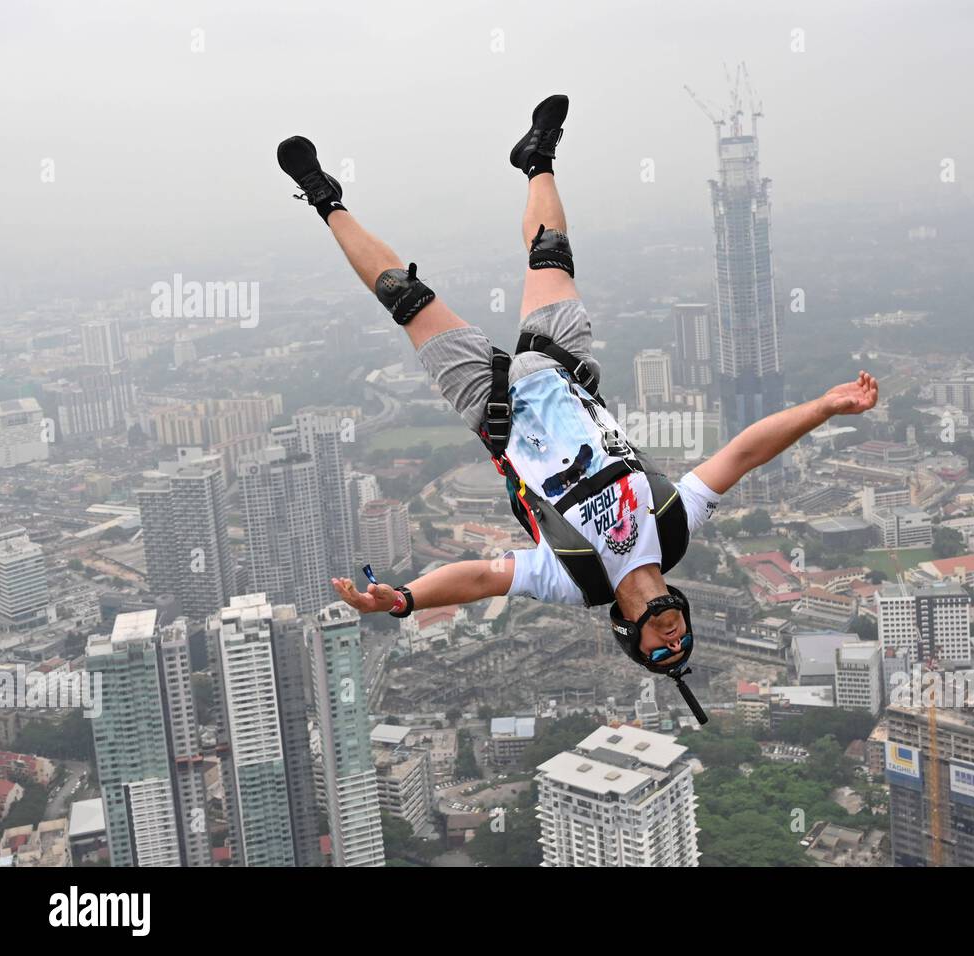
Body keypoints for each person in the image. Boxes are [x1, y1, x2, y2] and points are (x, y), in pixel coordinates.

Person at [277, 94, 878, 719]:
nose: (674, 640)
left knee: (404, 296)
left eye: (662, 651)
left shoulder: (575, 580)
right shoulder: (672, 529)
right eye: (682, 642)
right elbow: (744, 453)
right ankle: (537, 159)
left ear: (628, 633)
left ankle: (324, 198)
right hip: (566, 374)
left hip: (498, 407)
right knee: (551, 251)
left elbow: (483, 578)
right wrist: (826, 406)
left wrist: (402, 601)